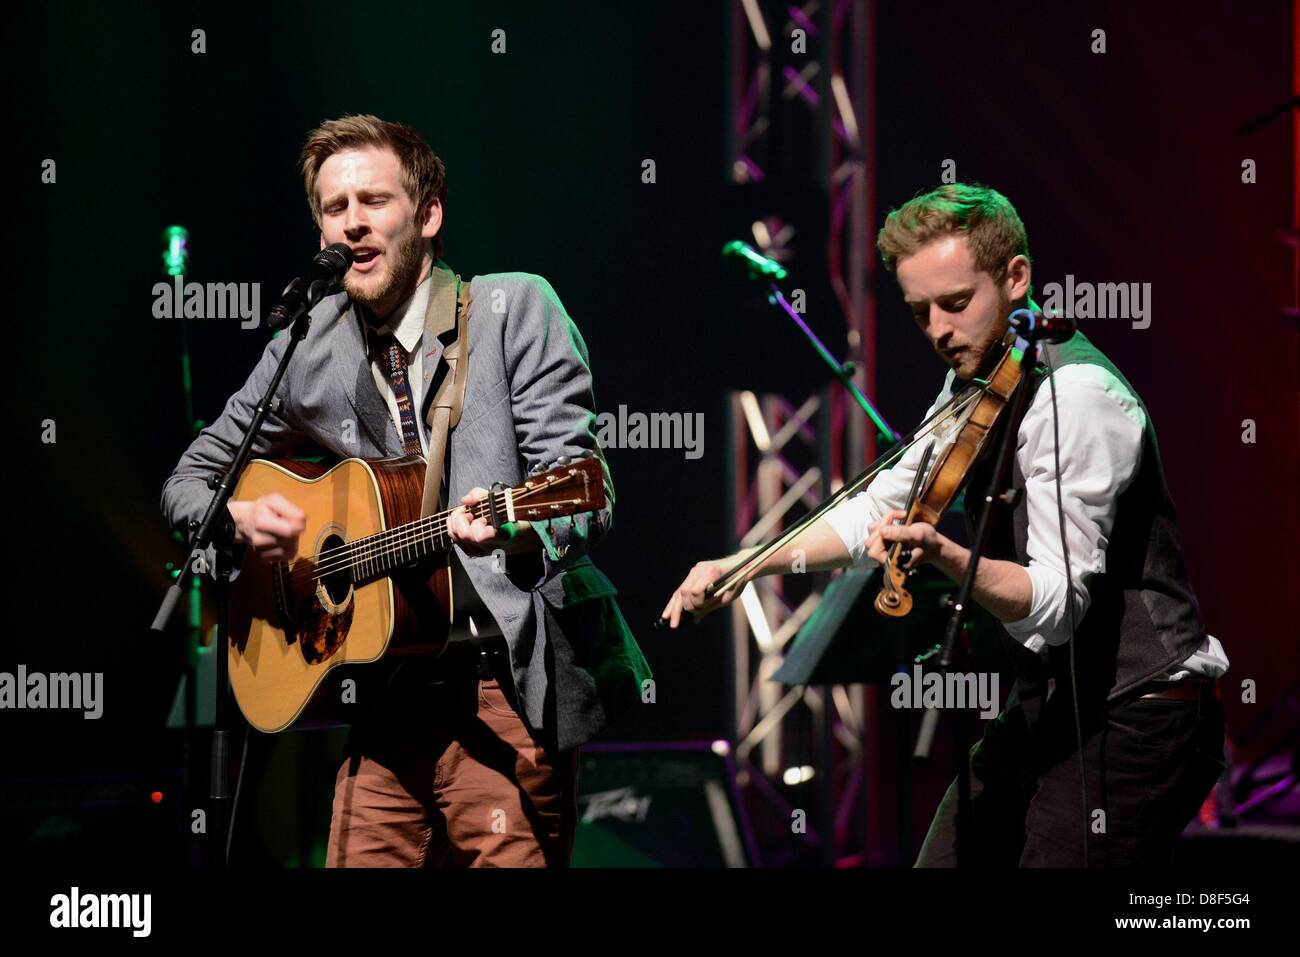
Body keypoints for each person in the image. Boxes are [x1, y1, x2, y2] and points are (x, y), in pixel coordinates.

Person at [663, 183, 1228, 867]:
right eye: (919, 310)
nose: (937, 329)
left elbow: (1057, 609)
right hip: (1052, 701)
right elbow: (878, 506)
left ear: (1016, 277)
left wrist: (945, 554)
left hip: (1141, 711)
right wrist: (744, 564)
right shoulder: (980, 378)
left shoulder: (1076, 396)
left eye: (956, 304)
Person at [162, 114, 650, 867]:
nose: (352, 222)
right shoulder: (307, 345)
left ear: (428, 215)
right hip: (384, 696)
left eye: (374, 201)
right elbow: (188, 481)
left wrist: (514, 525)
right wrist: (235, 518)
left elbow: (584, 493)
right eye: (335, 207)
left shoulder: (513, 310)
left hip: (500, 687)